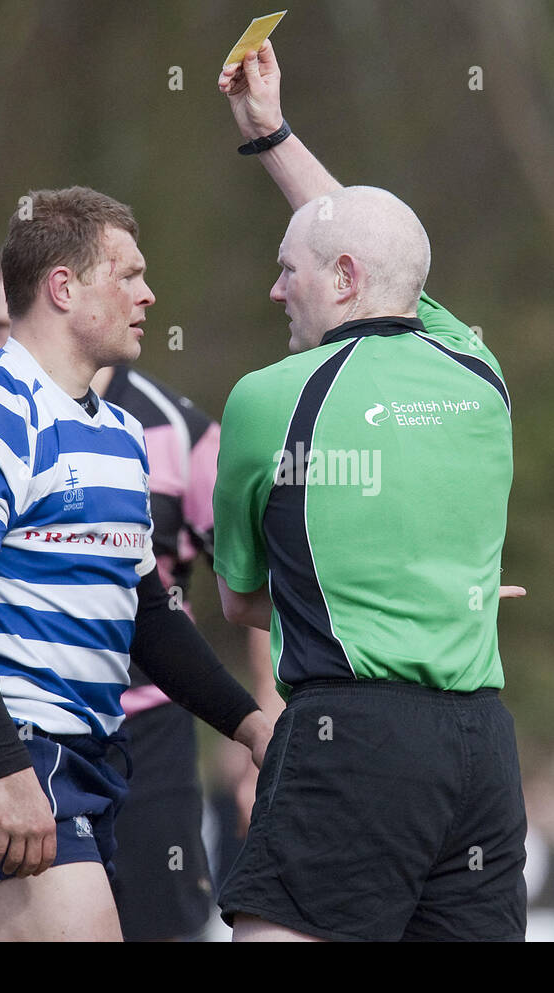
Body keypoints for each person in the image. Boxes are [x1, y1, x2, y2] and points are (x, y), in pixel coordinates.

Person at [212, 41, 528, 942]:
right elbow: (390, 258)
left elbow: (241, 598)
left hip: (349, 740)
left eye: (290, 270)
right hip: (483, 755)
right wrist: (270, 134)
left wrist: (361, 585)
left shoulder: (270, 396)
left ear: (342, 280)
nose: (276, 289)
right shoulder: (479, 366)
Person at [0, 186, 273, 942]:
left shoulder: (124, 435)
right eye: (127, 274)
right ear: (63, 288)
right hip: (2, 753)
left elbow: (147, 615)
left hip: (91, 755)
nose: (149, 293)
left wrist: (250, 723)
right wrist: (7, 768)